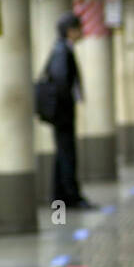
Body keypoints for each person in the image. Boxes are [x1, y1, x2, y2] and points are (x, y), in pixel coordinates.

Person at [47, 11, 96, 210]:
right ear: (70, 30)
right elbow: (61, 81)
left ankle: (61, 195)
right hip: (63, 113)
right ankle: (70, 195)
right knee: (67, 153)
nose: (81, 32)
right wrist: (67, 104)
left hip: (61, 112)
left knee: (62, 153)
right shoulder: (62, 51)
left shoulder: (62, 49)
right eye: (78, 28)